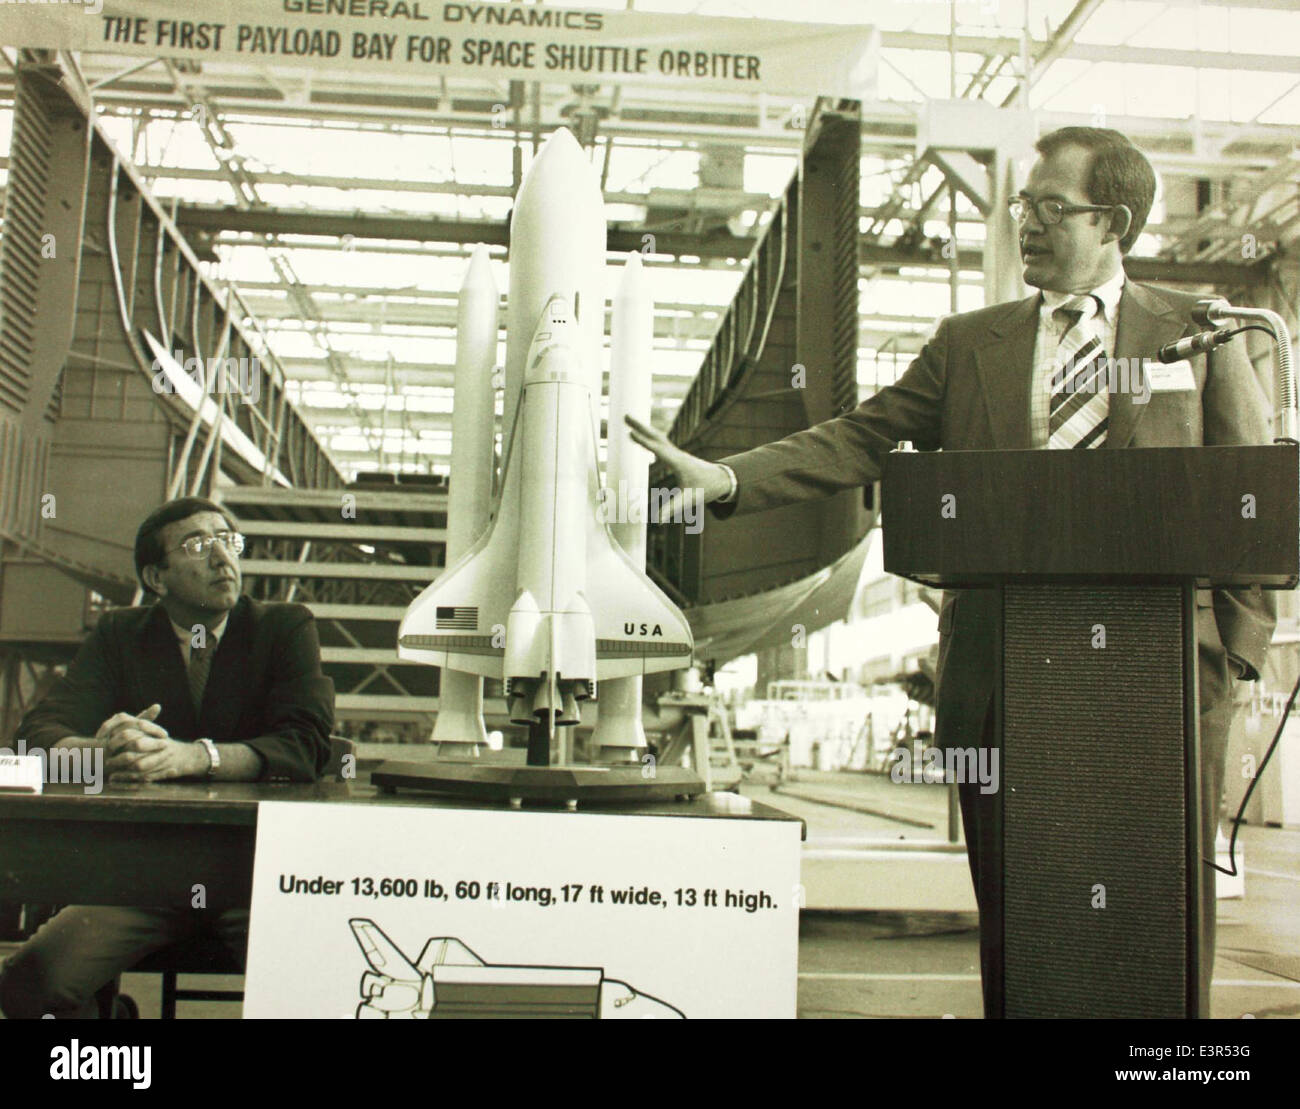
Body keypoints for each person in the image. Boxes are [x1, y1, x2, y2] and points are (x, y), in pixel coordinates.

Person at [626, 126, 1276, 1017]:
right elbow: (860, 434)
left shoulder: (1200, 334)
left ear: (1113, 221)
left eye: (1052, 208)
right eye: (1022, 207)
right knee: (1022, 908)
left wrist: (1233, 657)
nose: (1026, 226)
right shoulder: (970, 344)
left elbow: (1257, 497)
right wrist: (732, 477)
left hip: (1163, 679)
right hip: (1006, 668)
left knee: (1154, 915)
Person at [0, 496, 334, 1018]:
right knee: (30, 984)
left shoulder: (284, 627)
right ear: (157, 578)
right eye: (199, 545)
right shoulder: (120, 634)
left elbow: (305, 745)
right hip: (146, 873)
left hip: (254, 875)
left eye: (229, 540)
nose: (223, 558)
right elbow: (35, 736)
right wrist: (99, 753)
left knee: (309, 997)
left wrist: (190, 757)